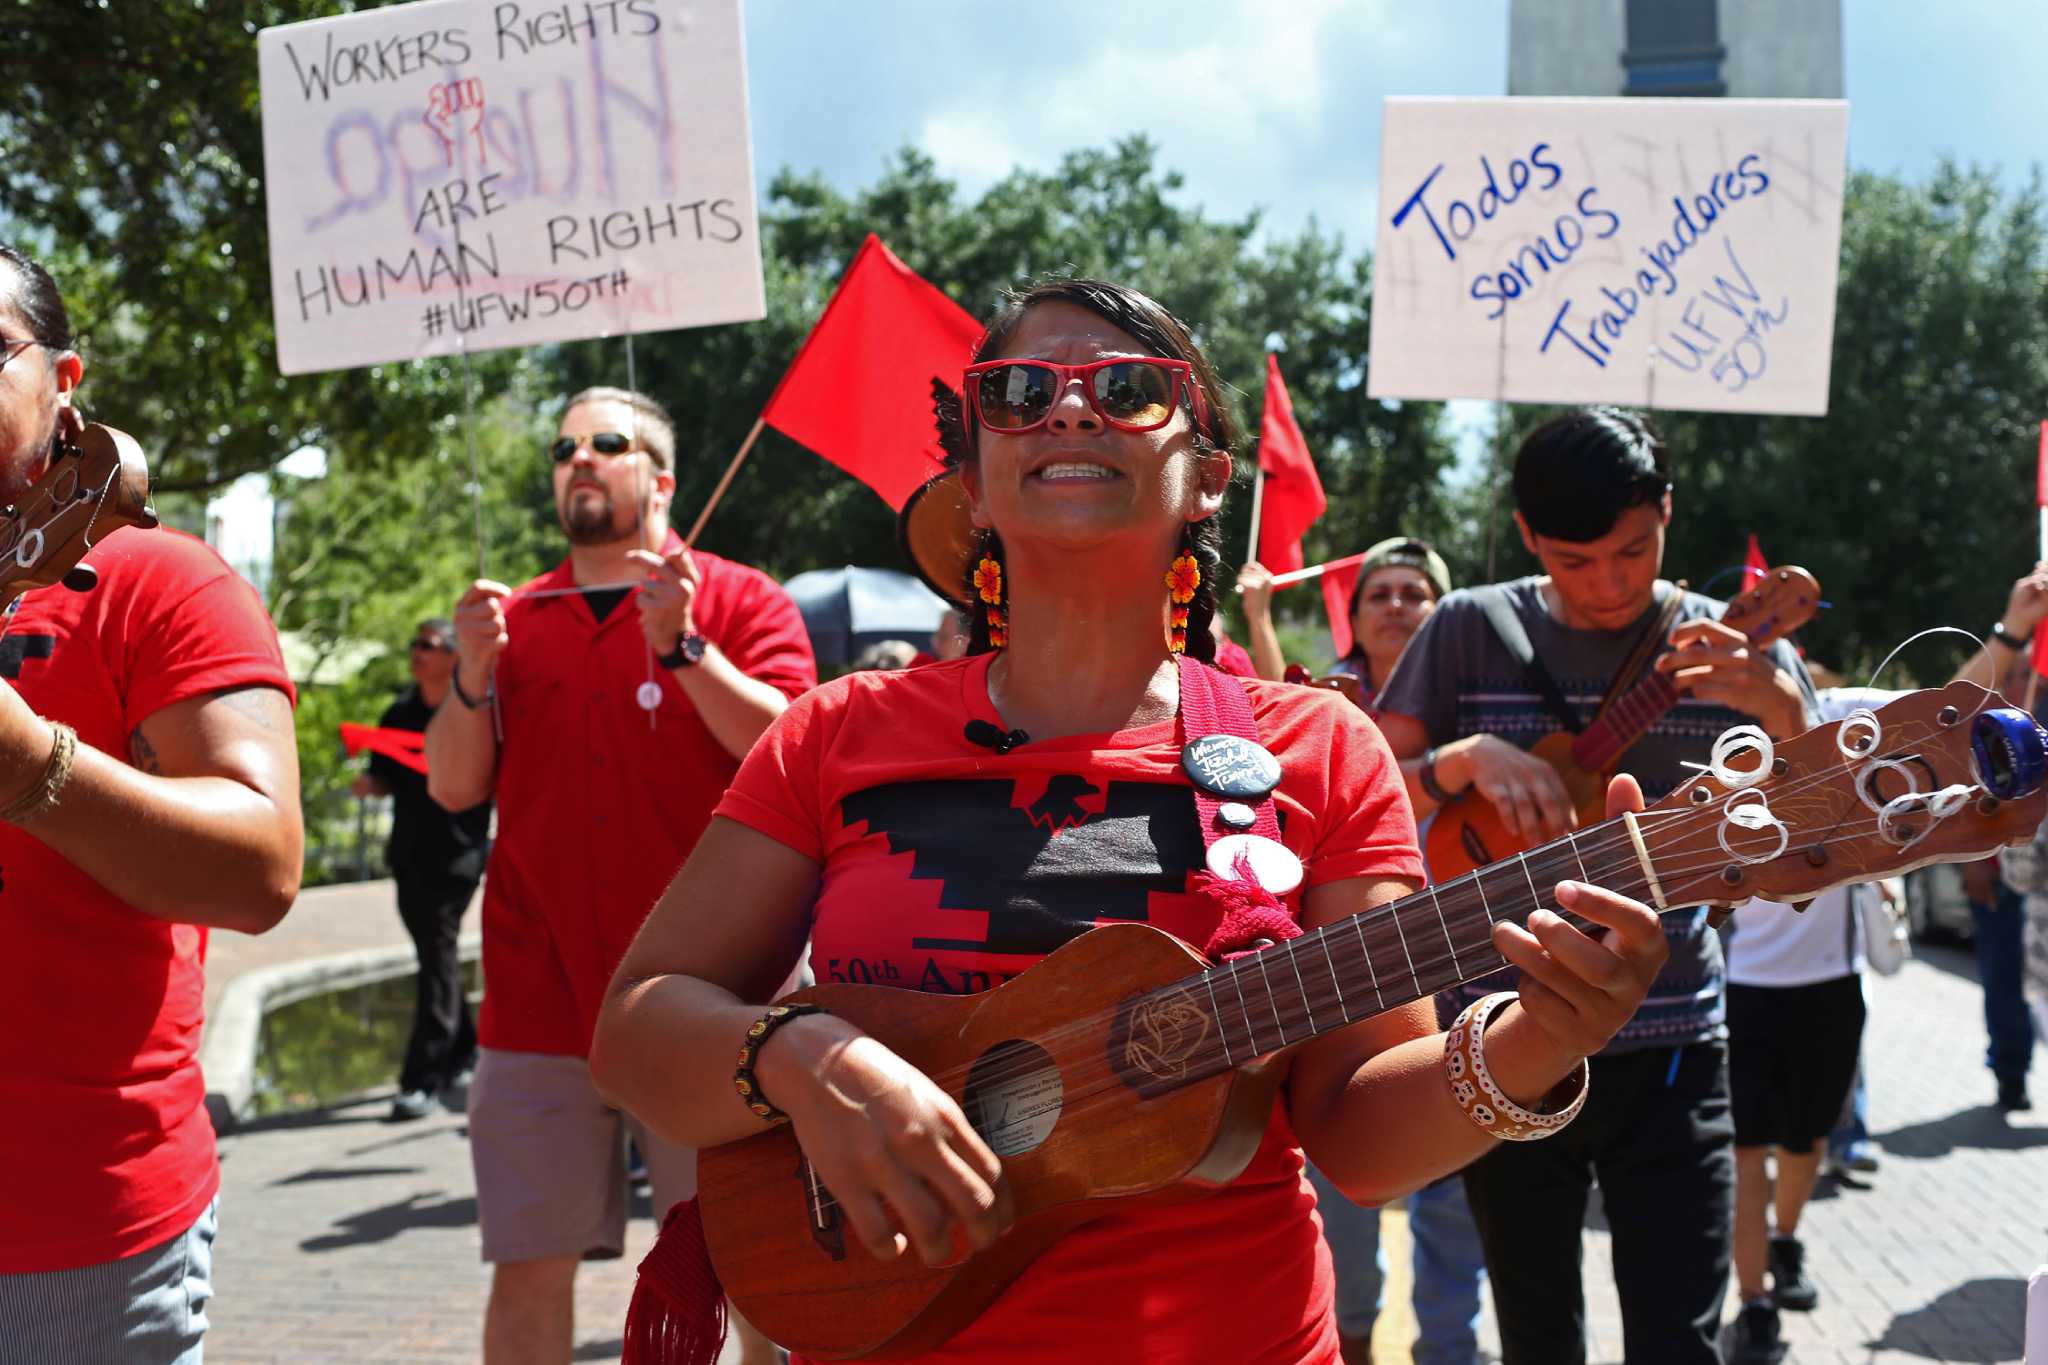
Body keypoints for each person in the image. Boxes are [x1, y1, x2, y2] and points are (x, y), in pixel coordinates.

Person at [589, 281, 1673, 1364]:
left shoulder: (1318, 748)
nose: (1068, 412)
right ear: (969, 481)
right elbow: (637, 1029)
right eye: (1015, 393)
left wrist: (1540, 1038)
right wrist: (805, 1059)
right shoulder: (834, 733)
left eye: (1126, 390)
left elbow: (1358, 1140)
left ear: (1204, 481)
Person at [1374, 406, 1818, 1364]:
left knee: (1680, 1341)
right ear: (1530, 535)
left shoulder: (1736, 644)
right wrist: (1462, 759)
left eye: (1634, 550)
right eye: (1577, 562)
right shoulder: (1465, 627)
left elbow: (1817, 840)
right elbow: (1369, 798)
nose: (1611, 584)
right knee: (1537, 1335)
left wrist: (1777, 707)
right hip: (1501, 1036)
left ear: (1667, 510)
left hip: (1676, 1043)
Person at [426, 385, 816, 1365]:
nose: (581, 461)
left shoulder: (740, 599)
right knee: (527, 1265)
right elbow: (452, 787)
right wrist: (472, 676)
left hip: (713, 999)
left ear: (662, 478)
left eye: (608, 443)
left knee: (751, 1270)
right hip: (537, 1004)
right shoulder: (510, 619)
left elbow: (796, 753)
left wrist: (685, 649)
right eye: (564, 449)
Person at [0, 243, 303, 1361]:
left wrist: (32, 767)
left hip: (71, 1239)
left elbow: (262, 866)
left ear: (64, 382)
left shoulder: (165, 583)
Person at [1717, 687, 1893, 1361]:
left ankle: (1786, 1239)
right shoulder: (1729, 758)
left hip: (1830, 989)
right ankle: (1754, 1300)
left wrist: (2012, 631)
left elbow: (1954, 700)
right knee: (1744, 1155)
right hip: (1743, 991)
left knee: (1805, 1140)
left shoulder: (1844, 727)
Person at [352, 616, 489, 1121]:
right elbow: (384, 776)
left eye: (427, 646)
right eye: (414, 644)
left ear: (454, 656)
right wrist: (371, 785)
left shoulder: (471, 710)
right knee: (436, 958)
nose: (417, 653)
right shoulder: (400, 711)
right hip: (409, 853)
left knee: (437, 955)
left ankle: (422, 1080)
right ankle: (464, 1048)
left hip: (457, 854)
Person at [1948, 562, 2048, 1111]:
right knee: (2001, 976)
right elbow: (1954, 791)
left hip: (2037, 870)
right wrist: (1966, 864)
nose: (2015, 682)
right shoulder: (1979, 716)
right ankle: (2010, 1073)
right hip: (1992, 867)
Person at [1240, 538, 1451, 702]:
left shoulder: (1473, 699)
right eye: (1379, 595)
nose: (1394, 606)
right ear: (1355, 625)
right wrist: (1258, 616)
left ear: (1445, 617)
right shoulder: (1334, 699)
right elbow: (1284, 708)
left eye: (1414, 595)